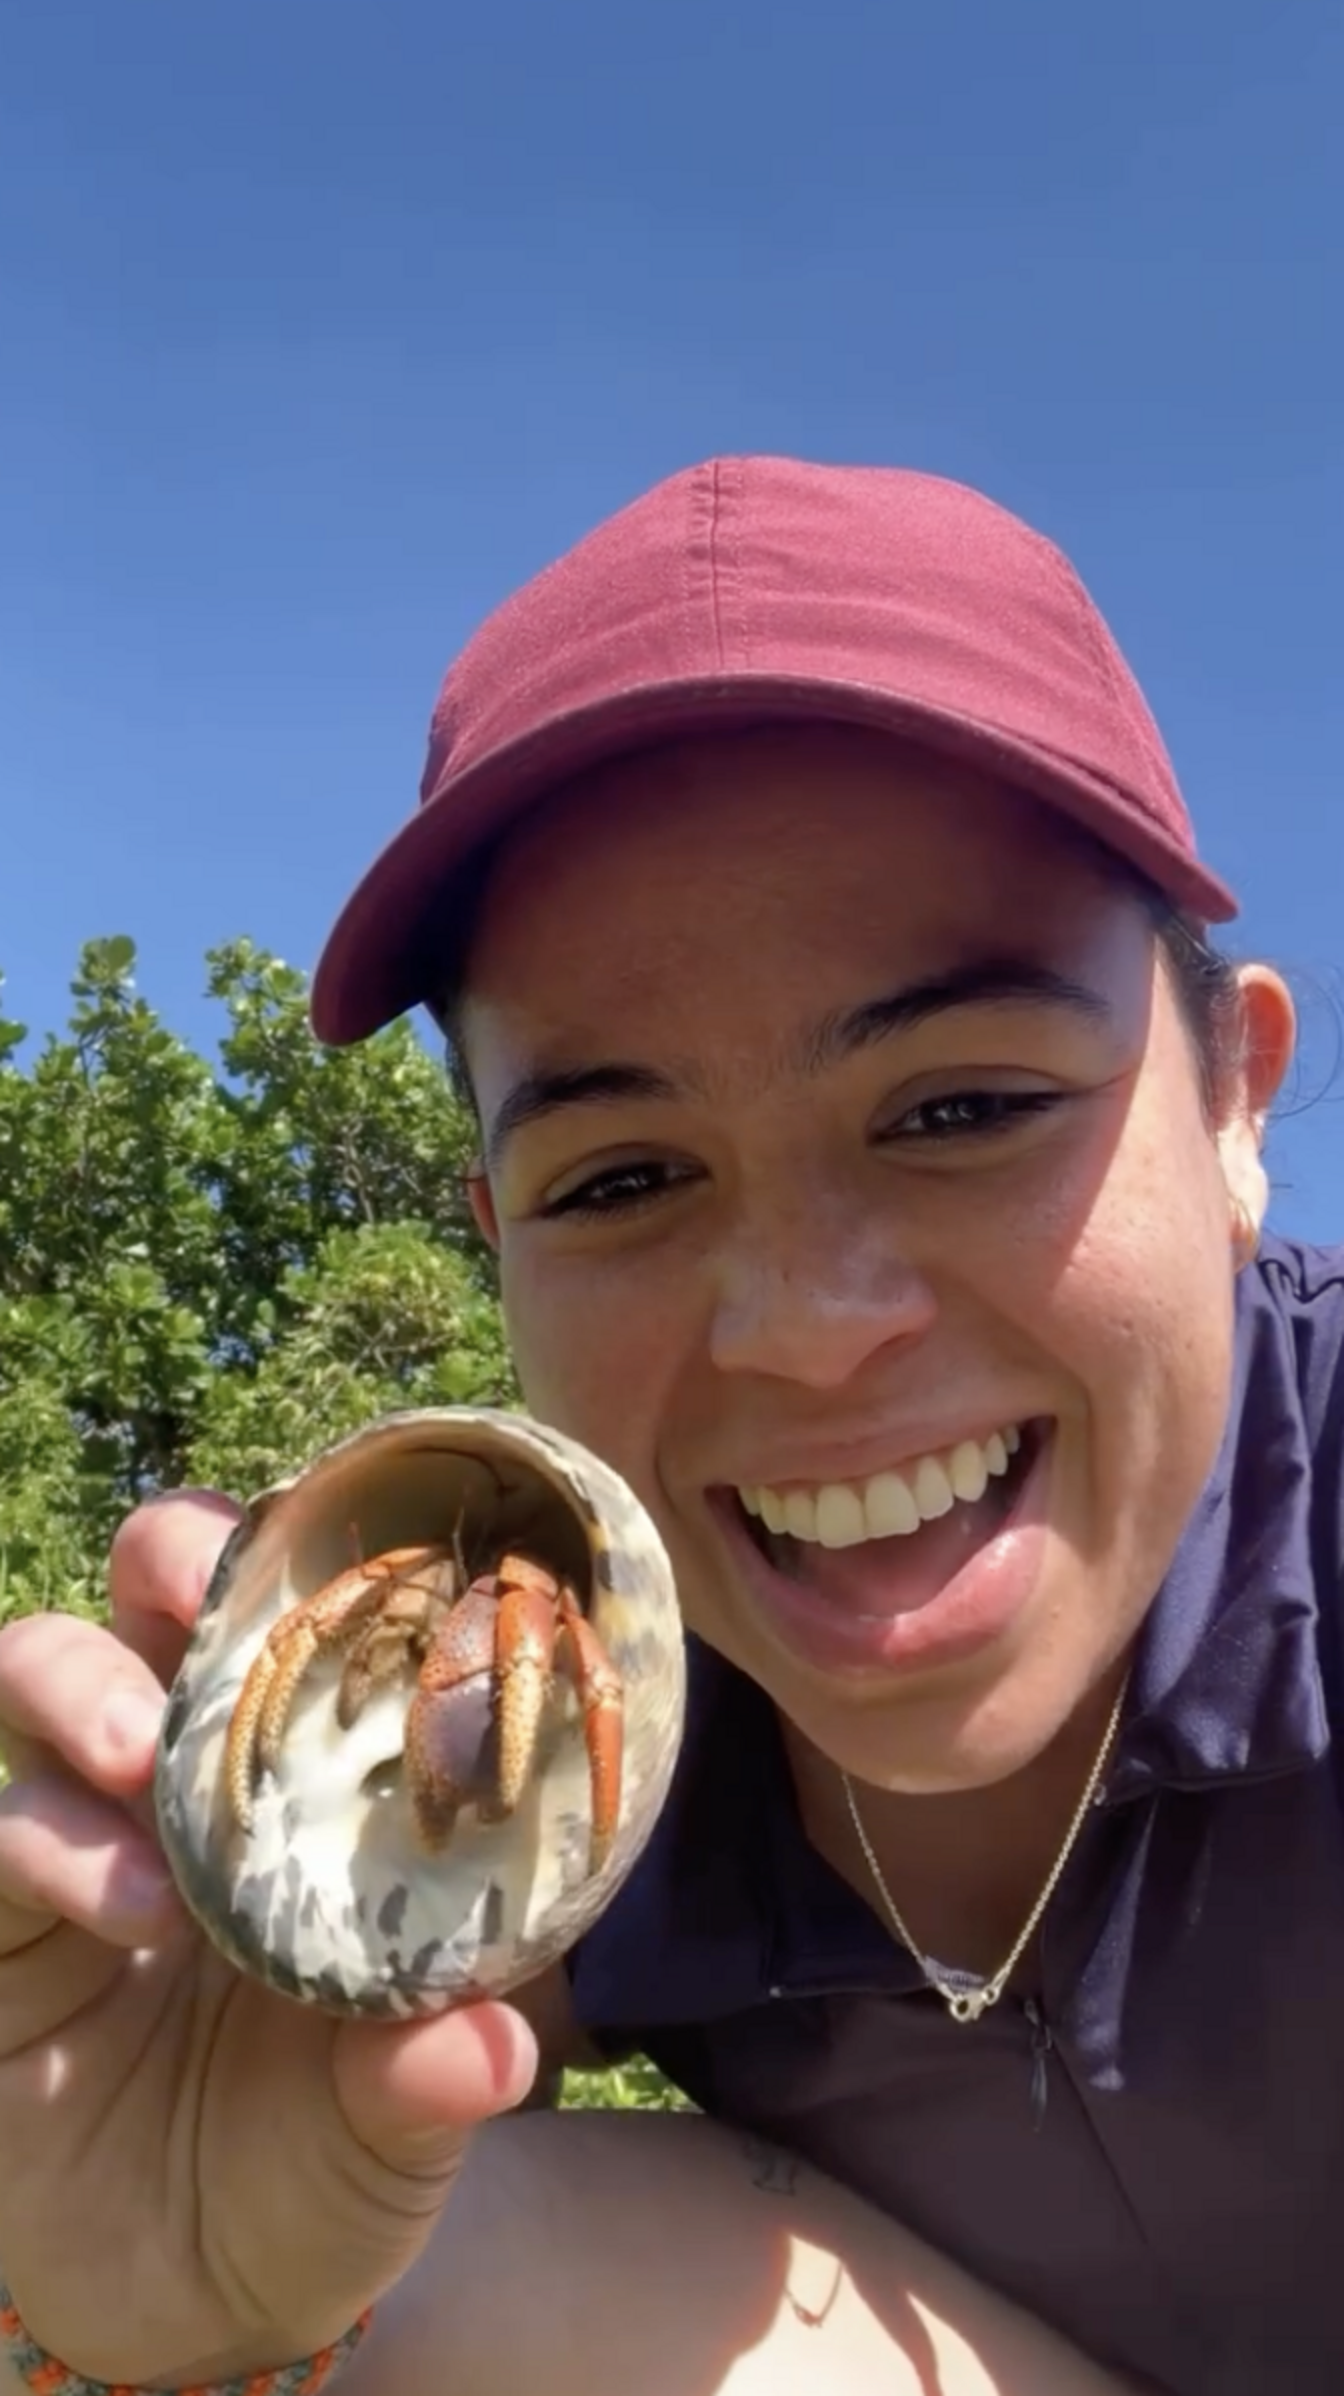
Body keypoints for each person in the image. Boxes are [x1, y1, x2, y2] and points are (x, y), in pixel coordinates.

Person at [0, 454, 1332, 2396]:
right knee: (405, 2267)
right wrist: (143, 2303)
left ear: (1235, 1104)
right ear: (499, 1239)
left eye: (961, 1105)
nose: (802, 1331)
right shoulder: (555, 1716)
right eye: (622, 1180)